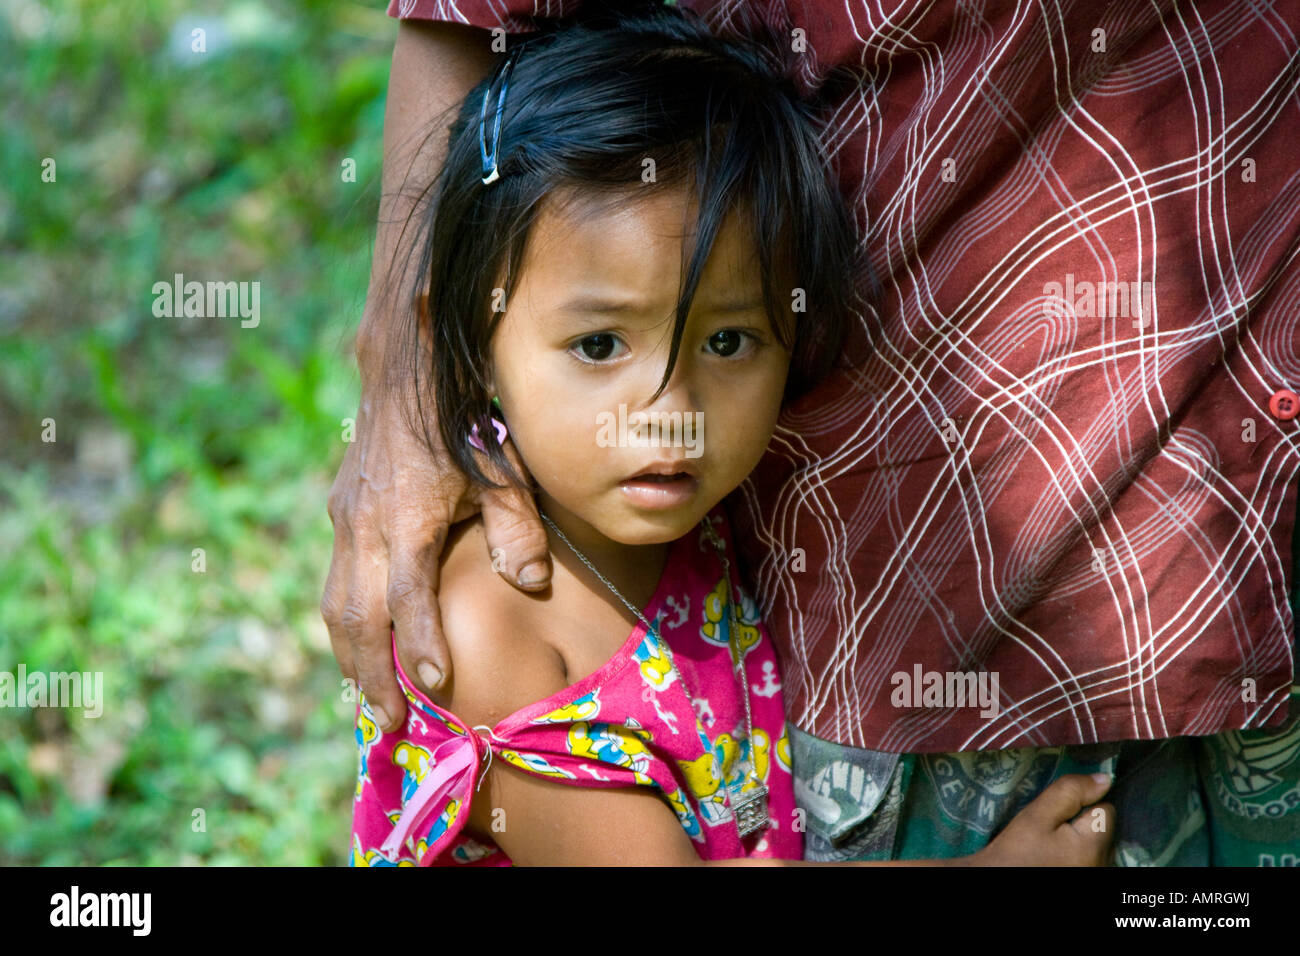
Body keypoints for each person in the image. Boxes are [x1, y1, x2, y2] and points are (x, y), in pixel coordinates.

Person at [326, 0, 1300, 864]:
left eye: (727, 338)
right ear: (463, 338)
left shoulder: (674, 534)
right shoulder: (497, 632)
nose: (667, 405)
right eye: (596, 343)